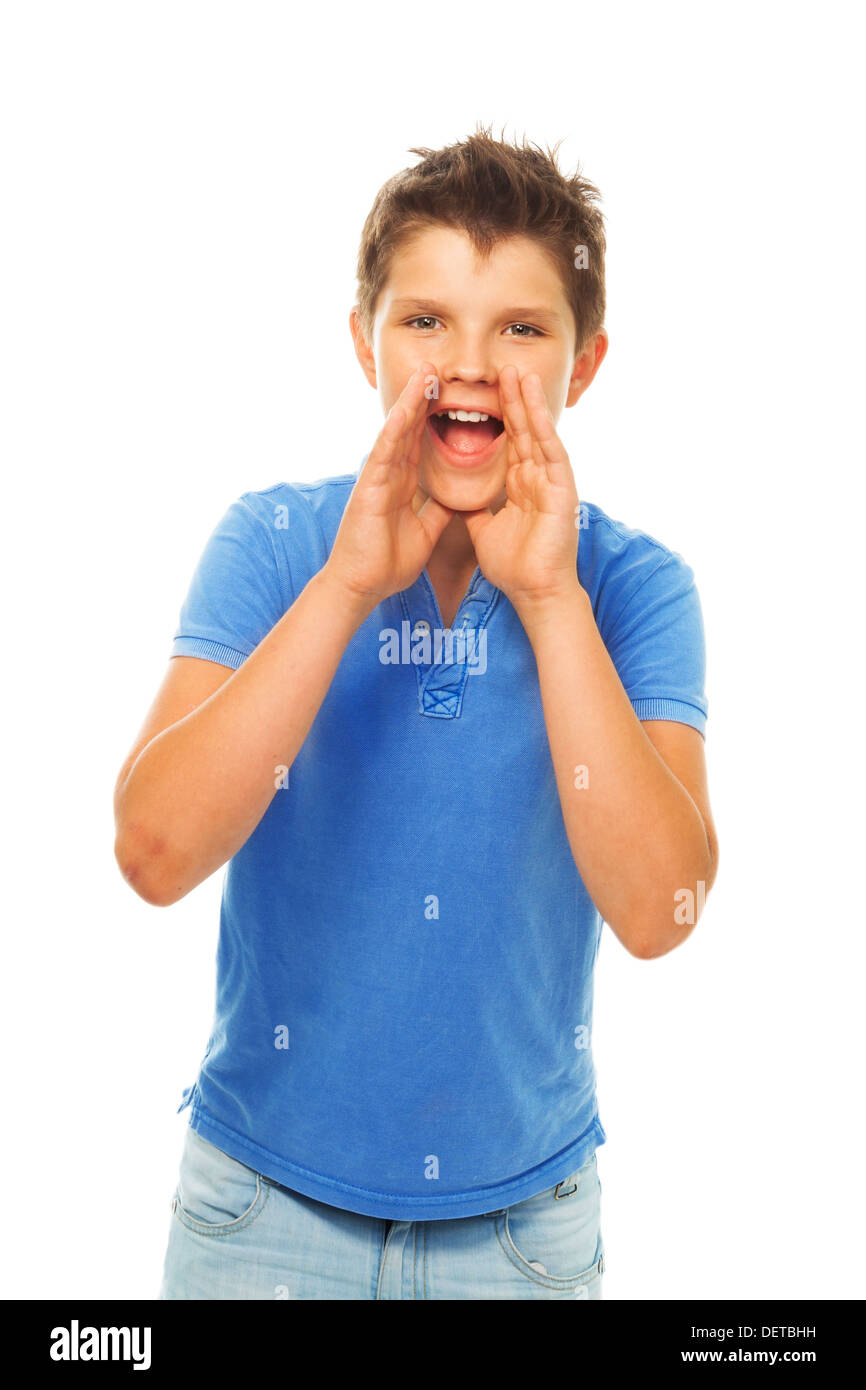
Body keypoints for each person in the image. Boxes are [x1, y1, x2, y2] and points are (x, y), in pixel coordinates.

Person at [114, 127, 719, 1300]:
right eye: (425, 320)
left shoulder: (632, 588)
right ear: (365, 344)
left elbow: (659, 910)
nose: (470, 365)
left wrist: (546, 599)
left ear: (584, 365)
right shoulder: (276, 545)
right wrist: (347, 585)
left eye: (522, 329)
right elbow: (152, 853)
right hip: (261, 1215)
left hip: (518, 1236)